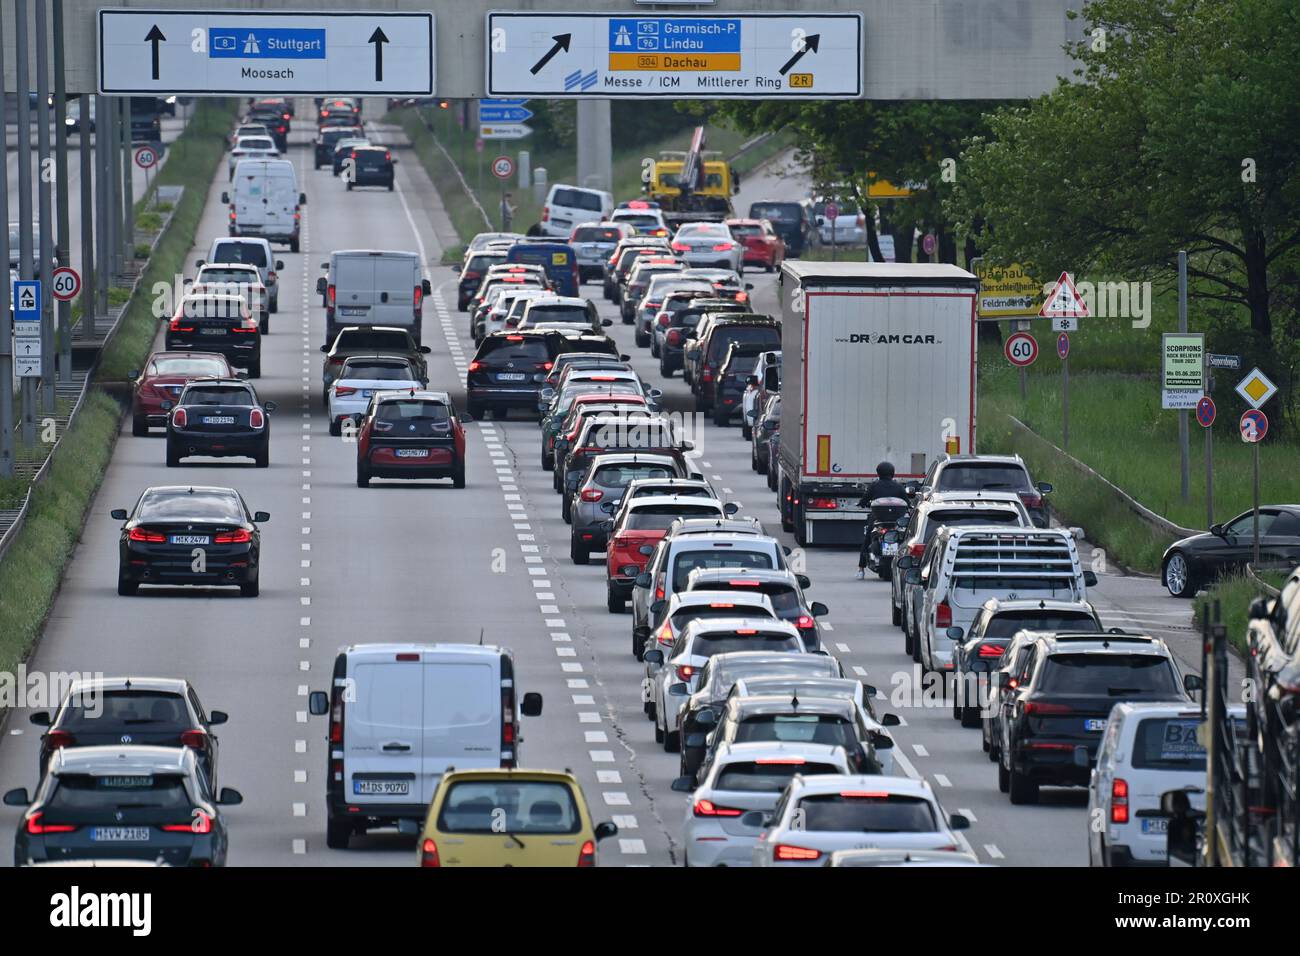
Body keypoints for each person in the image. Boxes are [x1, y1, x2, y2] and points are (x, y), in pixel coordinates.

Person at [856, 461, 909, 579]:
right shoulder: (898, 486)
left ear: (878, 473)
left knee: (867, 539)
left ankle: (861, 569)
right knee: (906, 538)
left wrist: (861, 504)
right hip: (896, 520)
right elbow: (908, 502)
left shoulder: (874, 486)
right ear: (892, 473)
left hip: (878, 518)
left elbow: (864, 500)